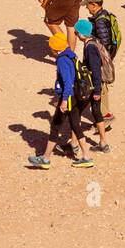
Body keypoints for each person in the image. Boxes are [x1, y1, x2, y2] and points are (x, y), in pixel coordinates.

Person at [27, 32, 94, 169]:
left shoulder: (63, 60)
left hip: (68, 97)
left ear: (55, 49)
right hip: (76, 96)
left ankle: (45, 159)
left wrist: (64, 101)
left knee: (56, 126)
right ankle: (86, 156)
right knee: (75, 124)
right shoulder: (71, 54)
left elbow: (67, 82)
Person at [72, 18, 111, 153]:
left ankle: (74, 145)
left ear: (82, 34)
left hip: (91, 86)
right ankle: (103, 143)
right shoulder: (94, 42)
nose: (76, 36)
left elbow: (95, 70)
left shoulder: (90, 48)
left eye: (77, 33)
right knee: (96, 112)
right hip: (95, 86)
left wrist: (97, 91)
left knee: (75, 112)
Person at [84, 0, 121, 123]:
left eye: (87, 5)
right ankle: (104, 113)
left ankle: (105, 115)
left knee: (100, 84)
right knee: (102, 84)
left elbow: (104, 42)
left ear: (94, 5)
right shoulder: (105, 15)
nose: (86, 8)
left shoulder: (100, 22)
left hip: (101, 58)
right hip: (105, 57)